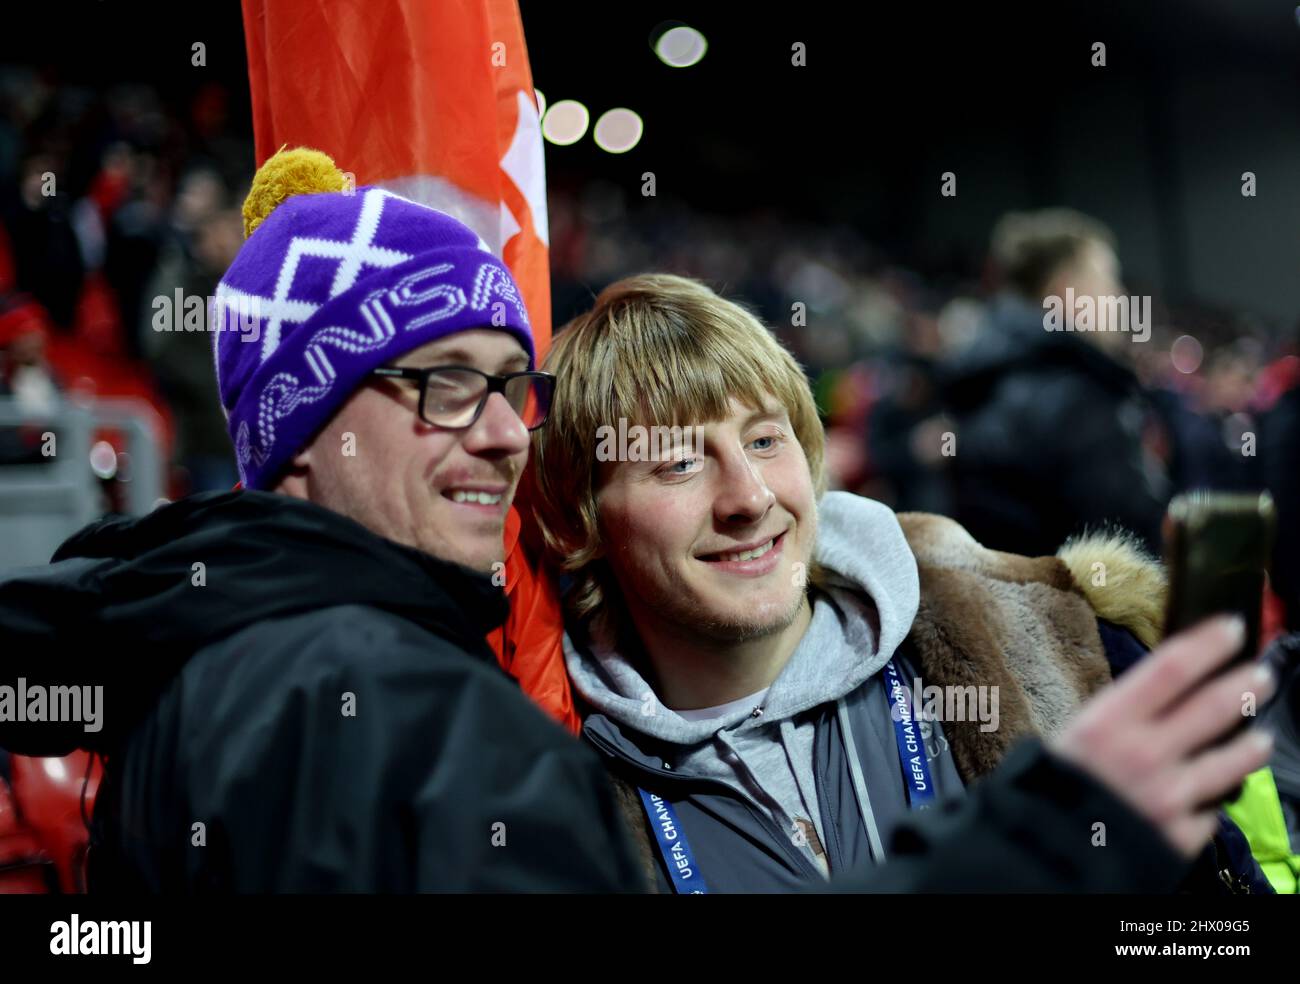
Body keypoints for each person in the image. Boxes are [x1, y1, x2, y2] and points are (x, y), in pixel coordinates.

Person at [0, 148, 640, 892]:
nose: (503, 434)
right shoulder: (438, 731)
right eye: (452, 381)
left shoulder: (172, 664)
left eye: (510, 387)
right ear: (300, 427)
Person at [526, 273, 1274, 893]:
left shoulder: (1054, 638)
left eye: (763, 439)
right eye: (678, 462)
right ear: (577, 520)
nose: (749, 497)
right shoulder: (556, 810)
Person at [941, 208, 1172, 557]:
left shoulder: (987, 380)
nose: (1119, 296)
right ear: (1068, 289)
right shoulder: (1077, 399)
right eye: (1108, 279)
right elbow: (1124, 560)